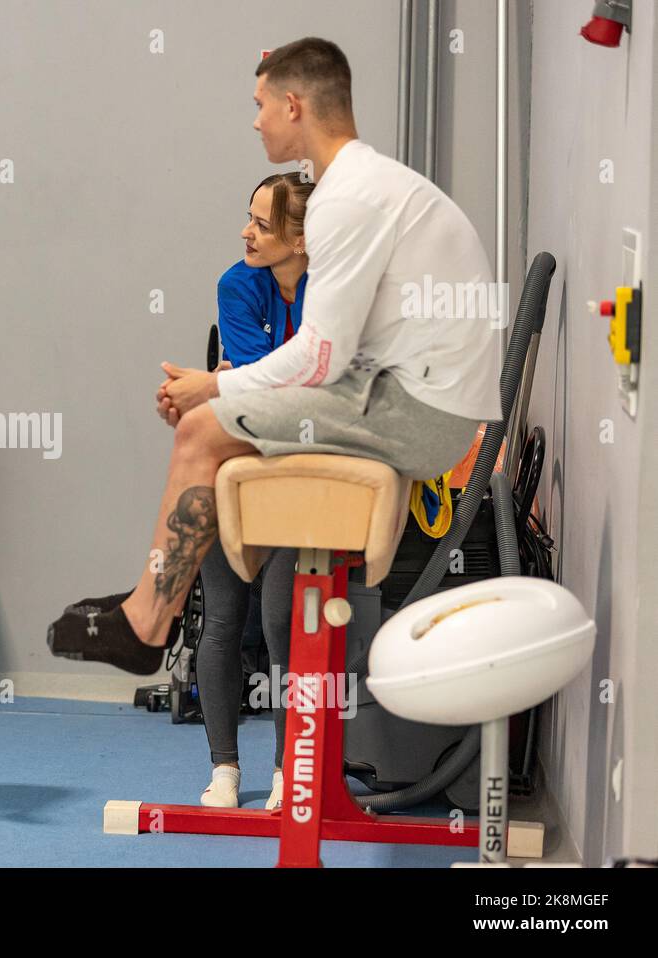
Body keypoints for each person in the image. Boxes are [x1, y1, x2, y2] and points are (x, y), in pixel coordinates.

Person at [48, 37, 502, 680]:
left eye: (260, 104)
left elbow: (319, 358)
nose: (255, 119)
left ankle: (148, 623)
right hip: (417, 399)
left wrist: (213, 388)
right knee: (215, 425)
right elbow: (330, 358)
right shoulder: (368, 185)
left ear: (294, 105)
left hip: (423, 413)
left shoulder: (347, 198)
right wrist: (227, 385)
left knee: (203, 429)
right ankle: (154, 609)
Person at [197, 172, 312, 810]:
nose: (247, 232)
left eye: (263, 225)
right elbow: (261, 395)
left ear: (300, 240)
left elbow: (307, 390)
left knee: (280, 625)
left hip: (300, 478)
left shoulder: (333, 291)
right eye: (249, 217)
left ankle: (283, 773)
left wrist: (252, 380)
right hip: (236, 464)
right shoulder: (236, 285)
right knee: (222, 620)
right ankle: (224, 771)